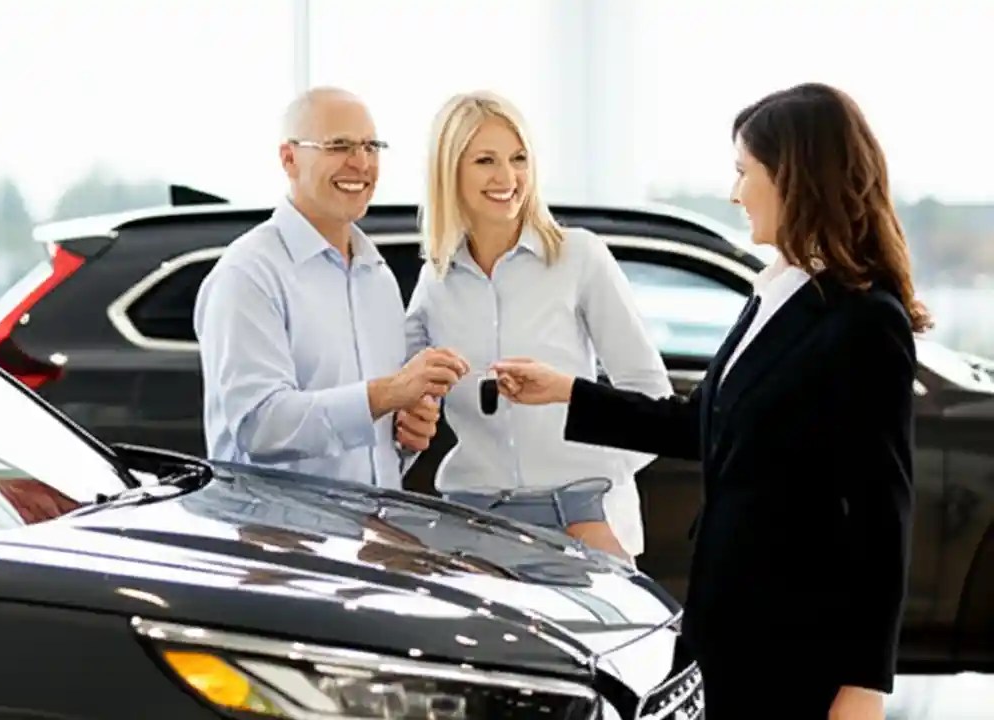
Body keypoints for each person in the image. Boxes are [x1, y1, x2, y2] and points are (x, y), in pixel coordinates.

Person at [491, 82, 928, 719]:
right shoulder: (778, 291)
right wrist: (568, 393)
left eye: (743, 172)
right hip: (727, 616)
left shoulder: (863, 321)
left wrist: (865, 682)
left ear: (793, 177)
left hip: (796, 642)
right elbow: (708, 422)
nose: (734, 192)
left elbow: (882, 514)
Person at [401, 90, 672, 562]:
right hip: (476, 523)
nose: (507, 177)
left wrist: (593, 491)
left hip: (582, 517)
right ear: (450, 172)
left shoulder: (578, 256)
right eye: (486, 160)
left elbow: (649, 393)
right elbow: (398, 403)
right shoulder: (435, 280)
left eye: (519, 158)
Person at [193, 87, 468, 490]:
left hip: (371, 537)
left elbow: (375, 442)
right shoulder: (248, 274)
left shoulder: (377, 278)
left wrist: (406, 433)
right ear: (289, 158)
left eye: (371, 147)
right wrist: (387, 393)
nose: (361, 163)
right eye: (339, 146)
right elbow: (259, 426)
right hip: (277, 540)